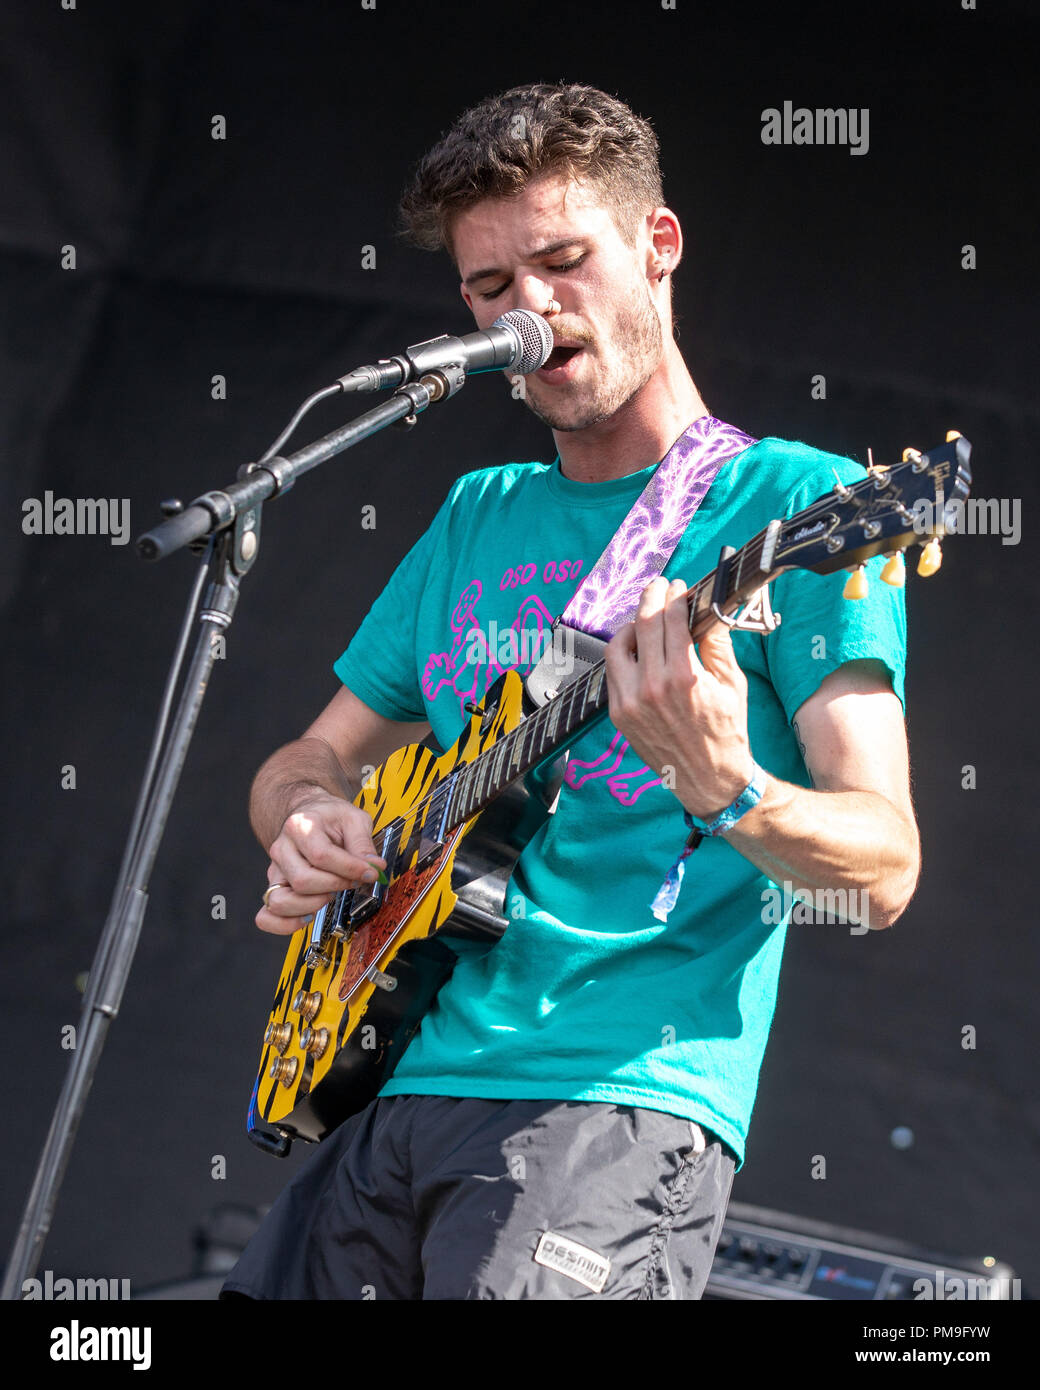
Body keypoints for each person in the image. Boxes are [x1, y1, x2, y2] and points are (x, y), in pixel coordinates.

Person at [221, 82, 916, 1300]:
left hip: (608, 1106)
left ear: (656, 247)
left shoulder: (798, 507)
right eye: (490, 290)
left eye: (559, 262)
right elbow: (304, 757)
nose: (527, 310)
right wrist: (304, 817)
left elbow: (885, 862)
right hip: (394, 1087)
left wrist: (727, 783)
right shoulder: (473, 513)